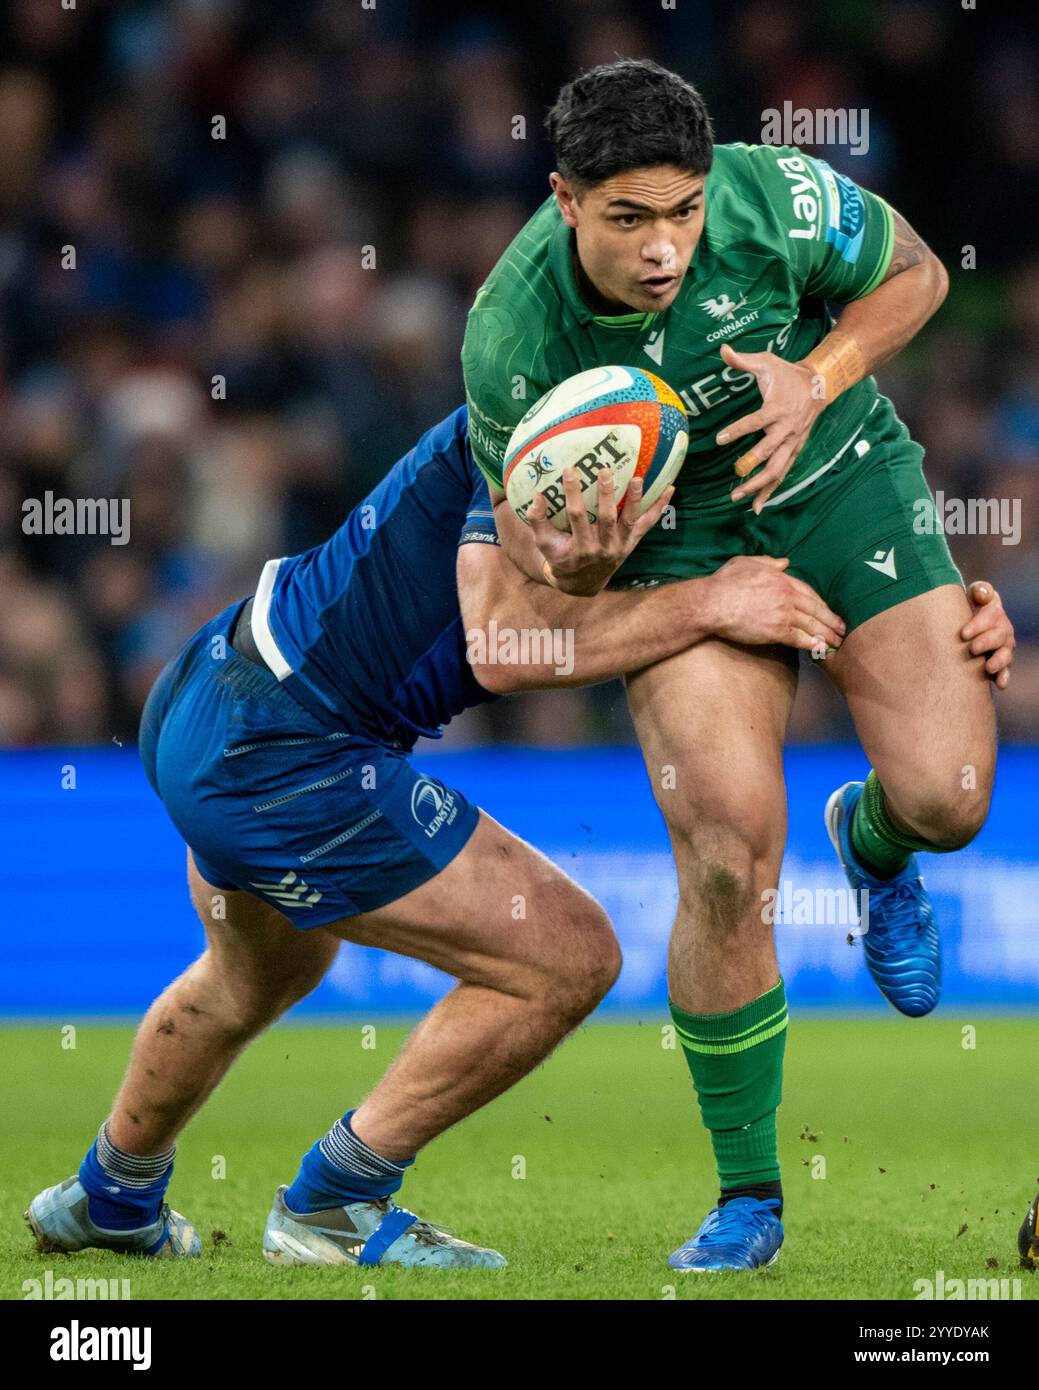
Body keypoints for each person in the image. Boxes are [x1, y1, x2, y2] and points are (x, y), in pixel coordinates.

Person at [25, 406, 867, 1269]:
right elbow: (505, 643)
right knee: (567, 956)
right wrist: (714, 599)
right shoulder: (543, 416)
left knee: (260, 971)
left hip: (218, 680)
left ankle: (112, 1194)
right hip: (285, 750)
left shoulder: (548, 403)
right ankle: (337, 1202)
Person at [461, 58, 1017, 1270]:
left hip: (833, 471)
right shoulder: (510, 333)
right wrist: (582, 557)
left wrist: (814, 379)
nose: (663, 247)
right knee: (723, 845)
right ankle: (749, 1194)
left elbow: (915, 275)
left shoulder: (774, 197)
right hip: (680, 546)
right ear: (564, 198)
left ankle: (872, 843)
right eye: (628, 219)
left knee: (952, 798)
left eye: (682, 211)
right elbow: (521, 576)